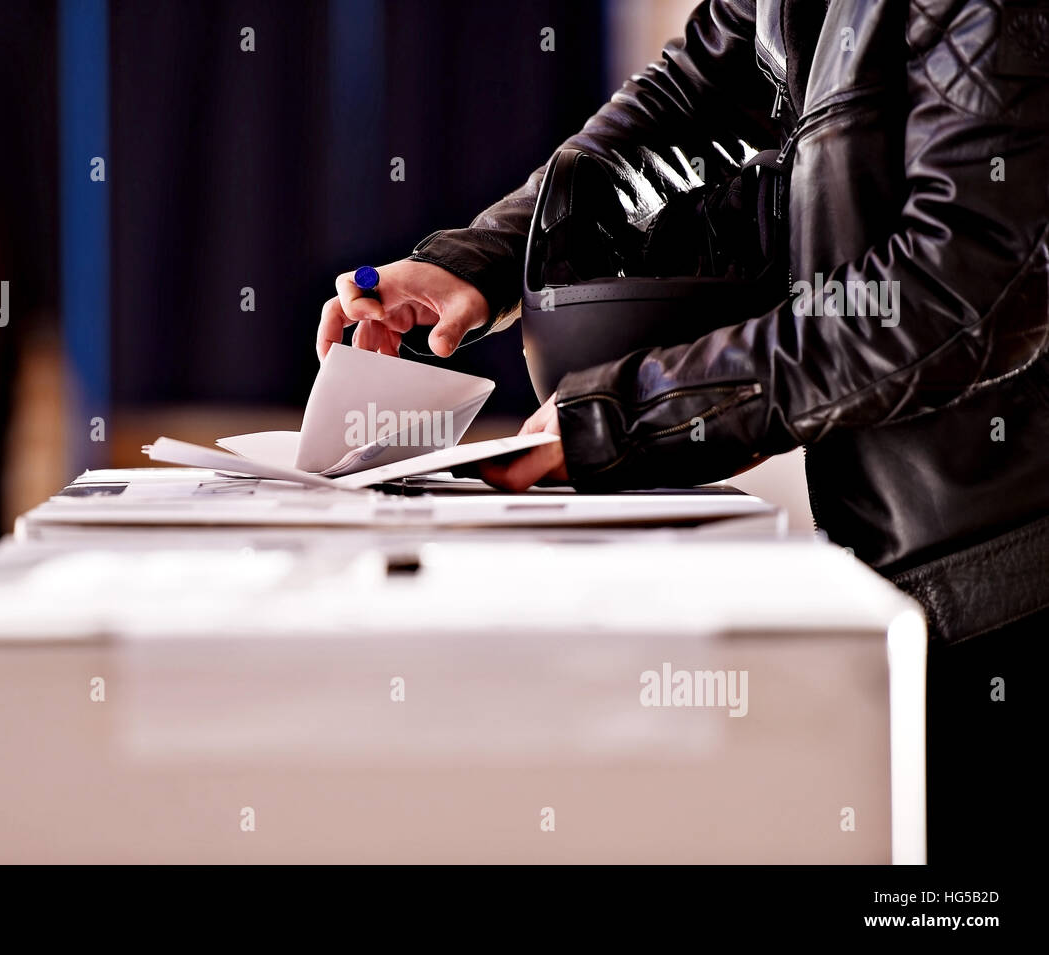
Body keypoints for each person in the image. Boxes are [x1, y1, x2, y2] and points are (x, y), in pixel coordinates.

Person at [318, 0, 1047, 864]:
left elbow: (963, 292)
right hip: (902, 574)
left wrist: (631, 415)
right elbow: (690, 100)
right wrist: (475, 258)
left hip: (1009, 583)